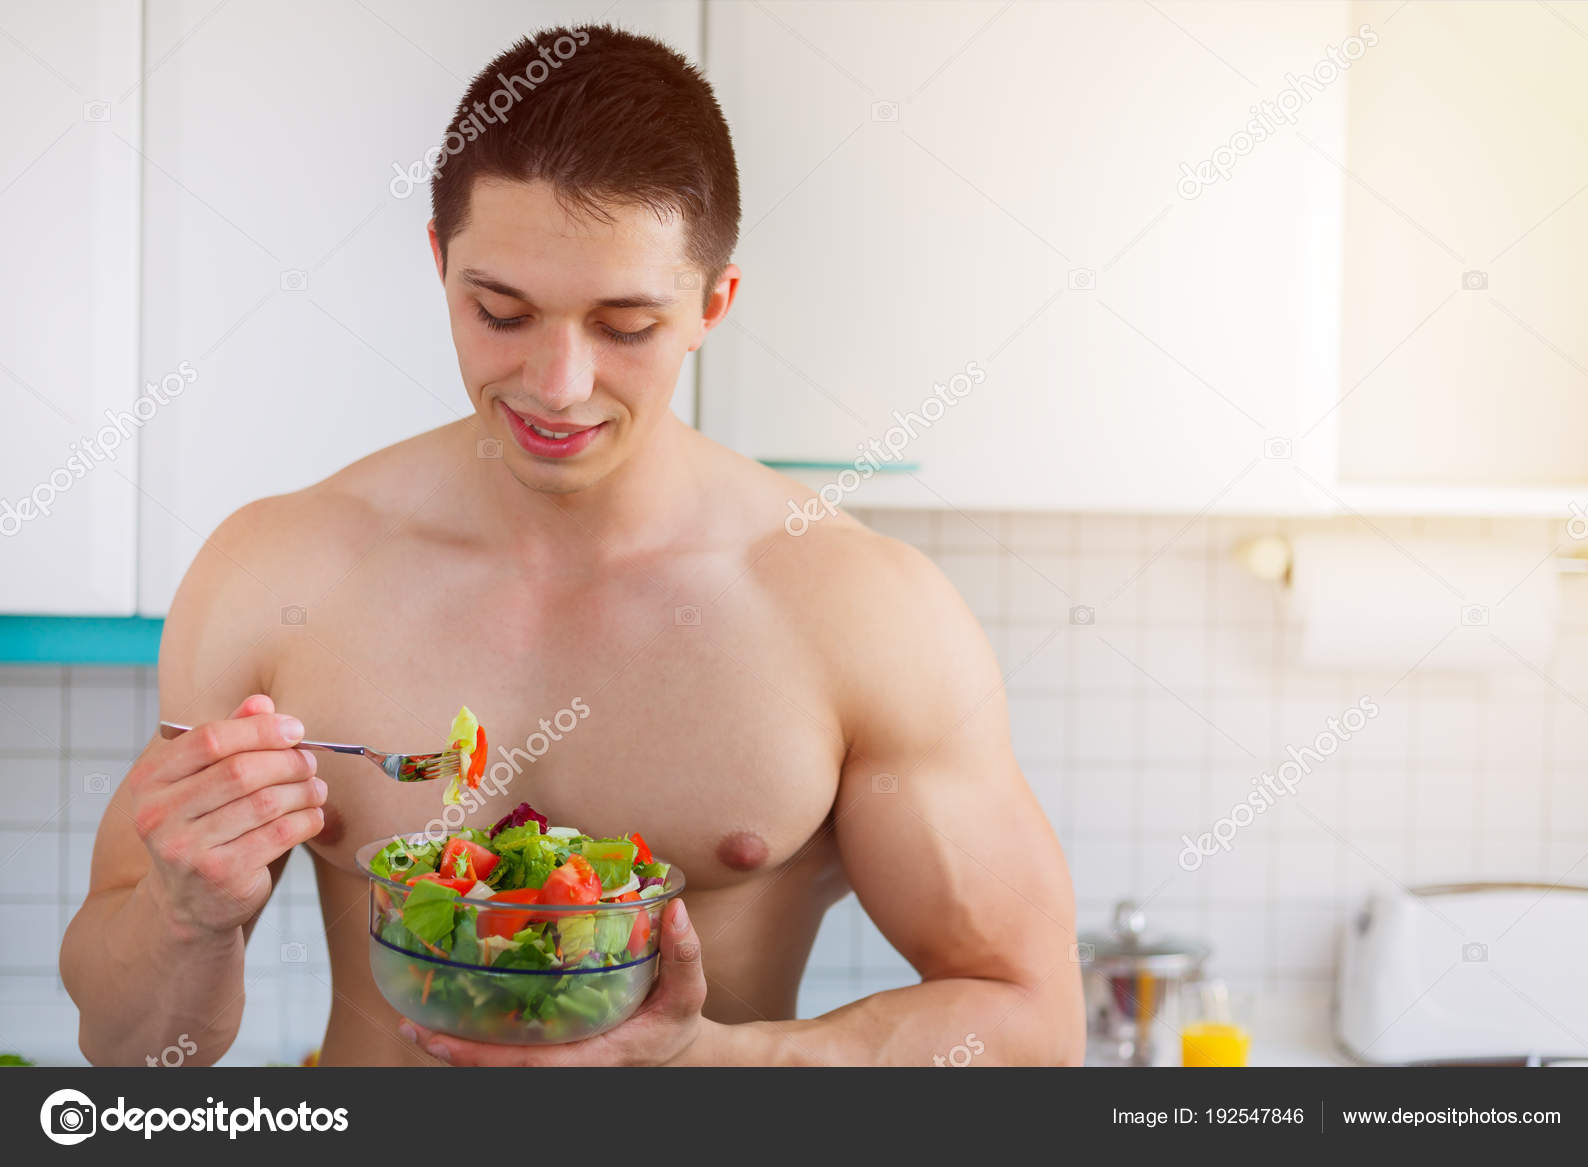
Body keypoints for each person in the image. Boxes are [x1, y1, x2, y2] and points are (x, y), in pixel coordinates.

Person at [60, 24, 1083, 1066]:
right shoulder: (276, 570)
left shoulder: (856, 606)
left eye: (624, 326)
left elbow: (1031, 1025)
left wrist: (709, 1064)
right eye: (499, 311)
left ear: (710, 306)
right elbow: (129, 1050)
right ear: (438, 264)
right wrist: (188, 919)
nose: (558, 385)